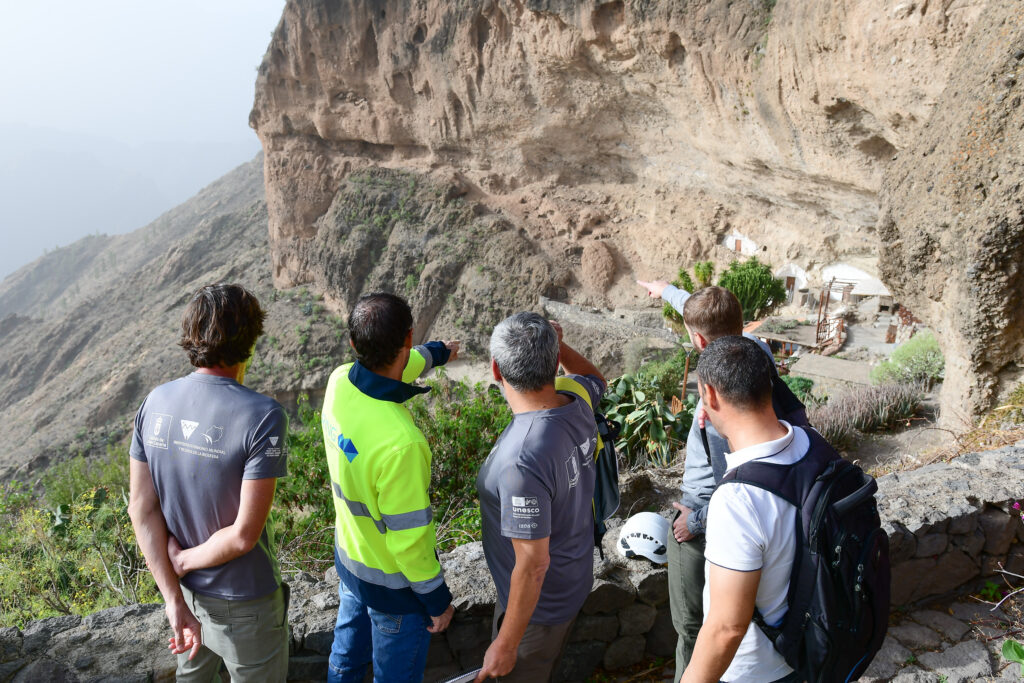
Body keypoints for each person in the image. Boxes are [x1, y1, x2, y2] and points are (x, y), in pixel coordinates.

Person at [636, 279, 806, 681]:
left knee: (693, 627)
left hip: (706, 521)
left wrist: (691, 523)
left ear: (697, 340)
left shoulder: (719, 415)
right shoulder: (756, 355)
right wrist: (668, 291)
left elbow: (733, 488)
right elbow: (707, 317)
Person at [128, 283, 290, 681]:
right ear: (250, 339)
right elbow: (242, 536)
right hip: (246, 602)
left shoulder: (155, 402)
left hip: (184, 594)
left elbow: (141, 508)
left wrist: (172, 598)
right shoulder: (263, 416)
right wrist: (182, 560)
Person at [321, 292, 458, 683]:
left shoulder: (338, 384)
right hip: (393, 592)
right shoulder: (402, 444)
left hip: (350, 562)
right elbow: (409, 540)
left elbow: (395, 365)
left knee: (344, 661)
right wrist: (437, 601)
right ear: (408, 337)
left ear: (353, 344)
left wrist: (437, 353)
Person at [475, 313, 607, 682]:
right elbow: (597, 378)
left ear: (496, 369)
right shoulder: (577, 402)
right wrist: (557, 345)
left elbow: (533, 565)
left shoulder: (521, 461)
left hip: (539, 610)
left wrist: (506, 642)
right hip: (574, 576)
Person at [681, 335, 806, 683]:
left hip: (757, 668)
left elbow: (727, 629)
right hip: (807, 645)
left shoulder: (738, 499)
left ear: (711, 396)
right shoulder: (811, 443)